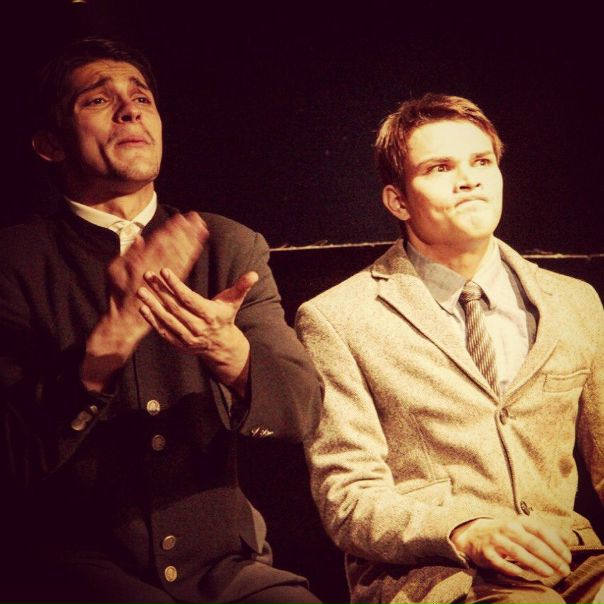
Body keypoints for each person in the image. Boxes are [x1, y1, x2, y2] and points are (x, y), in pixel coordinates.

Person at [0, 37, 323, 604]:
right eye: (98, 100)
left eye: (142, 98)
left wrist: (228, 351)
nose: (130, 110)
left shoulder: (229, 244)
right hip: (75, 571)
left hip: (225, 571)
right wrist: (109, 340)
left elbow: (303, 409)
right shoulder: (16, 261)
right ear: (50, 144)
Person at [296, 93, 604, 603]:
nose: (469, 180)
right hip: (435, 573)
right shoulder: (338, 318)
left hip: (569, 558)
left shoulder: (574, 302)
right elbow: (348, 500)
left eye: (481, 162)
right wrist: (466, 530)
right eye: (440, 168)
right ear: (398, 200)